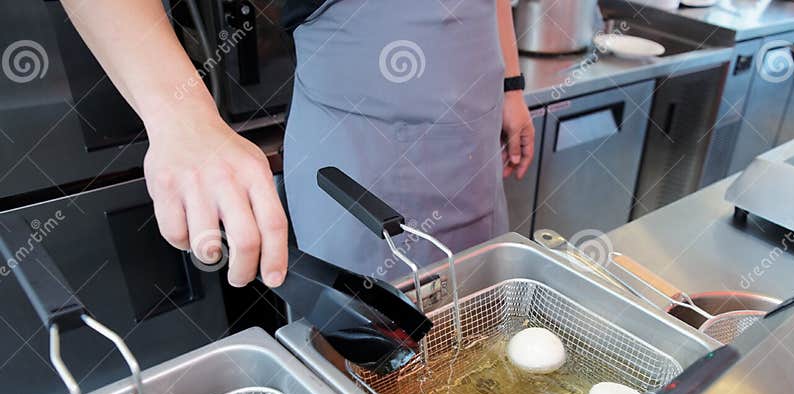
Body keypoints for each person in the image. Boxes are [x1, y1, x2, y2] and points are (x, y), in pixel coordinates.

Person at [60, 0, 534, 287]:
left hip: (474, 142)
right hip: (364, 159)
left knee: (480, 322)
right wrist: (181, 117)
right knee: (376, 361)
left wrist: (511, 84)